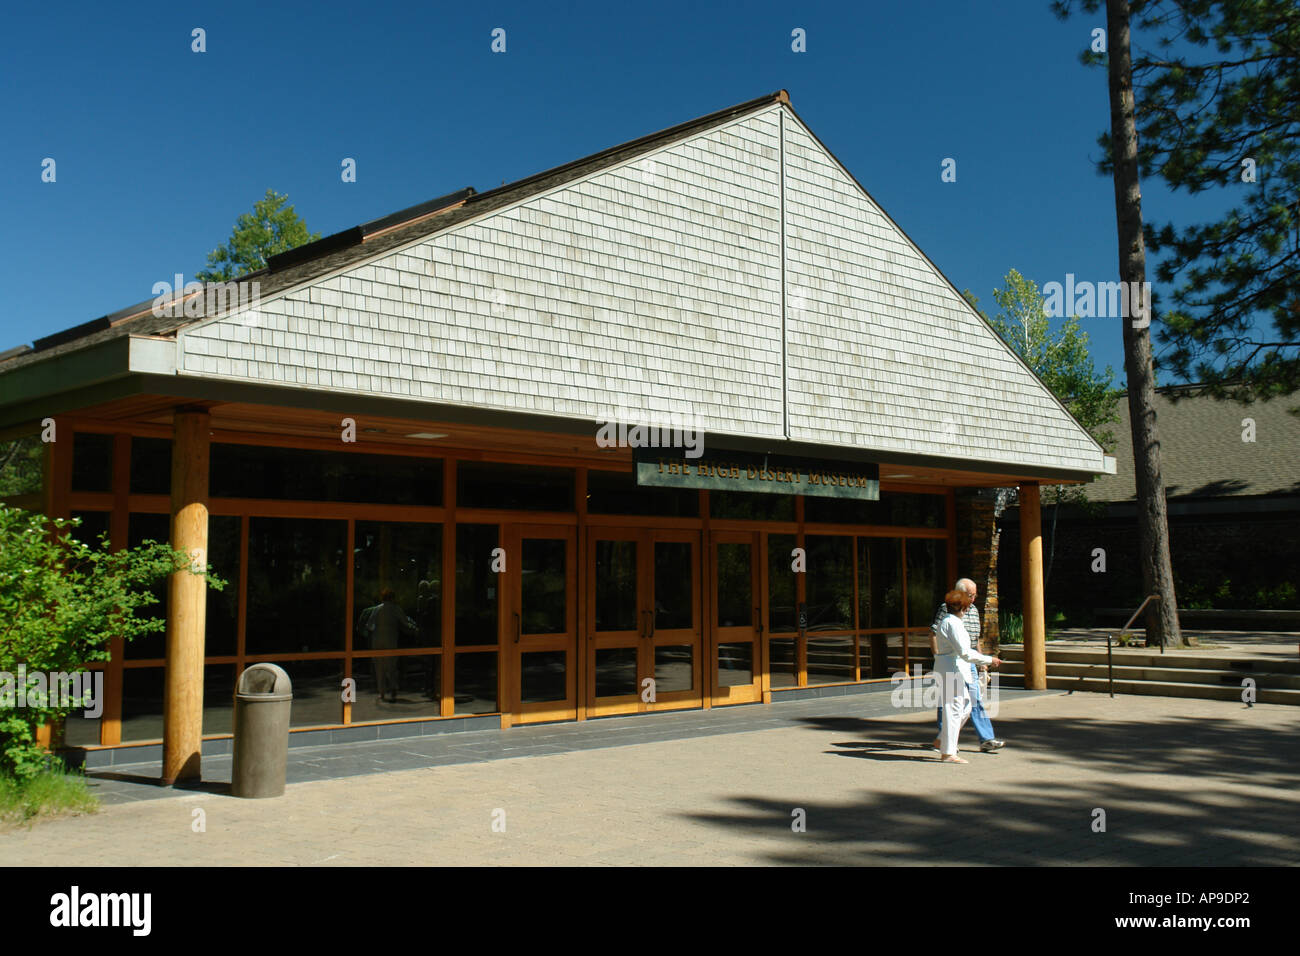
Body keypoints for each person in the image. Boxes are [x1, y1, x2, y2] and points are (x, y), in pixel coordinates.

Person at [930, 577, 1005, 753]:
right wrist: (938, 656)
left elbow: (974, 640)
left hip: (969, 661)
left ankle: (985, 738)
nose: (973, 599)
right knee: (950, 703)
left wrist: (981, 662)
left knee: (973, 700)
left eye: (975, 595)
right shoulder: (948, 614)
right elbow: (935, 634)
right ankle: (945, 740)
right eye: (970, 595)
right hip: (954, 663)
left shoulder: (972, 611)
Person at [359, 588, 419, 702]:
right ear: (392, 598)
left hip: (377, 641)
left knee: (379, 667)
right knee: (391, 666)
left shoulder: (377, 609)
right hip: (391, 640)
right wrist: (414, 628)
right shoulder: (395, 609)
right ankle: (393, 688)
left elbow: (369, 625)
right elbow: (405, 622)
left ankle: (381, 692)